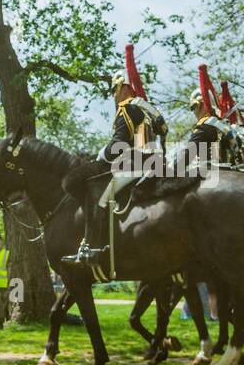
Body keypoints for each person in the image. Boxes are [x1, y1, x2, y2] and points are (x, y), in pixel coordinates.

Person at [62, 49, 167, 269]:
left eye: (115, 89)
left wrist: (101, 155)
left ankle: (94, 246)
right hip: (152, 160)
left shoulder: (127, 109)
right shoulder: (146, 109)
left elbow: (118, 144)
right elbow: (163, 130)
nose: (113, 94)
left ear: (124, 87)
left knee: (99, 195)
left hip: (138, 163)